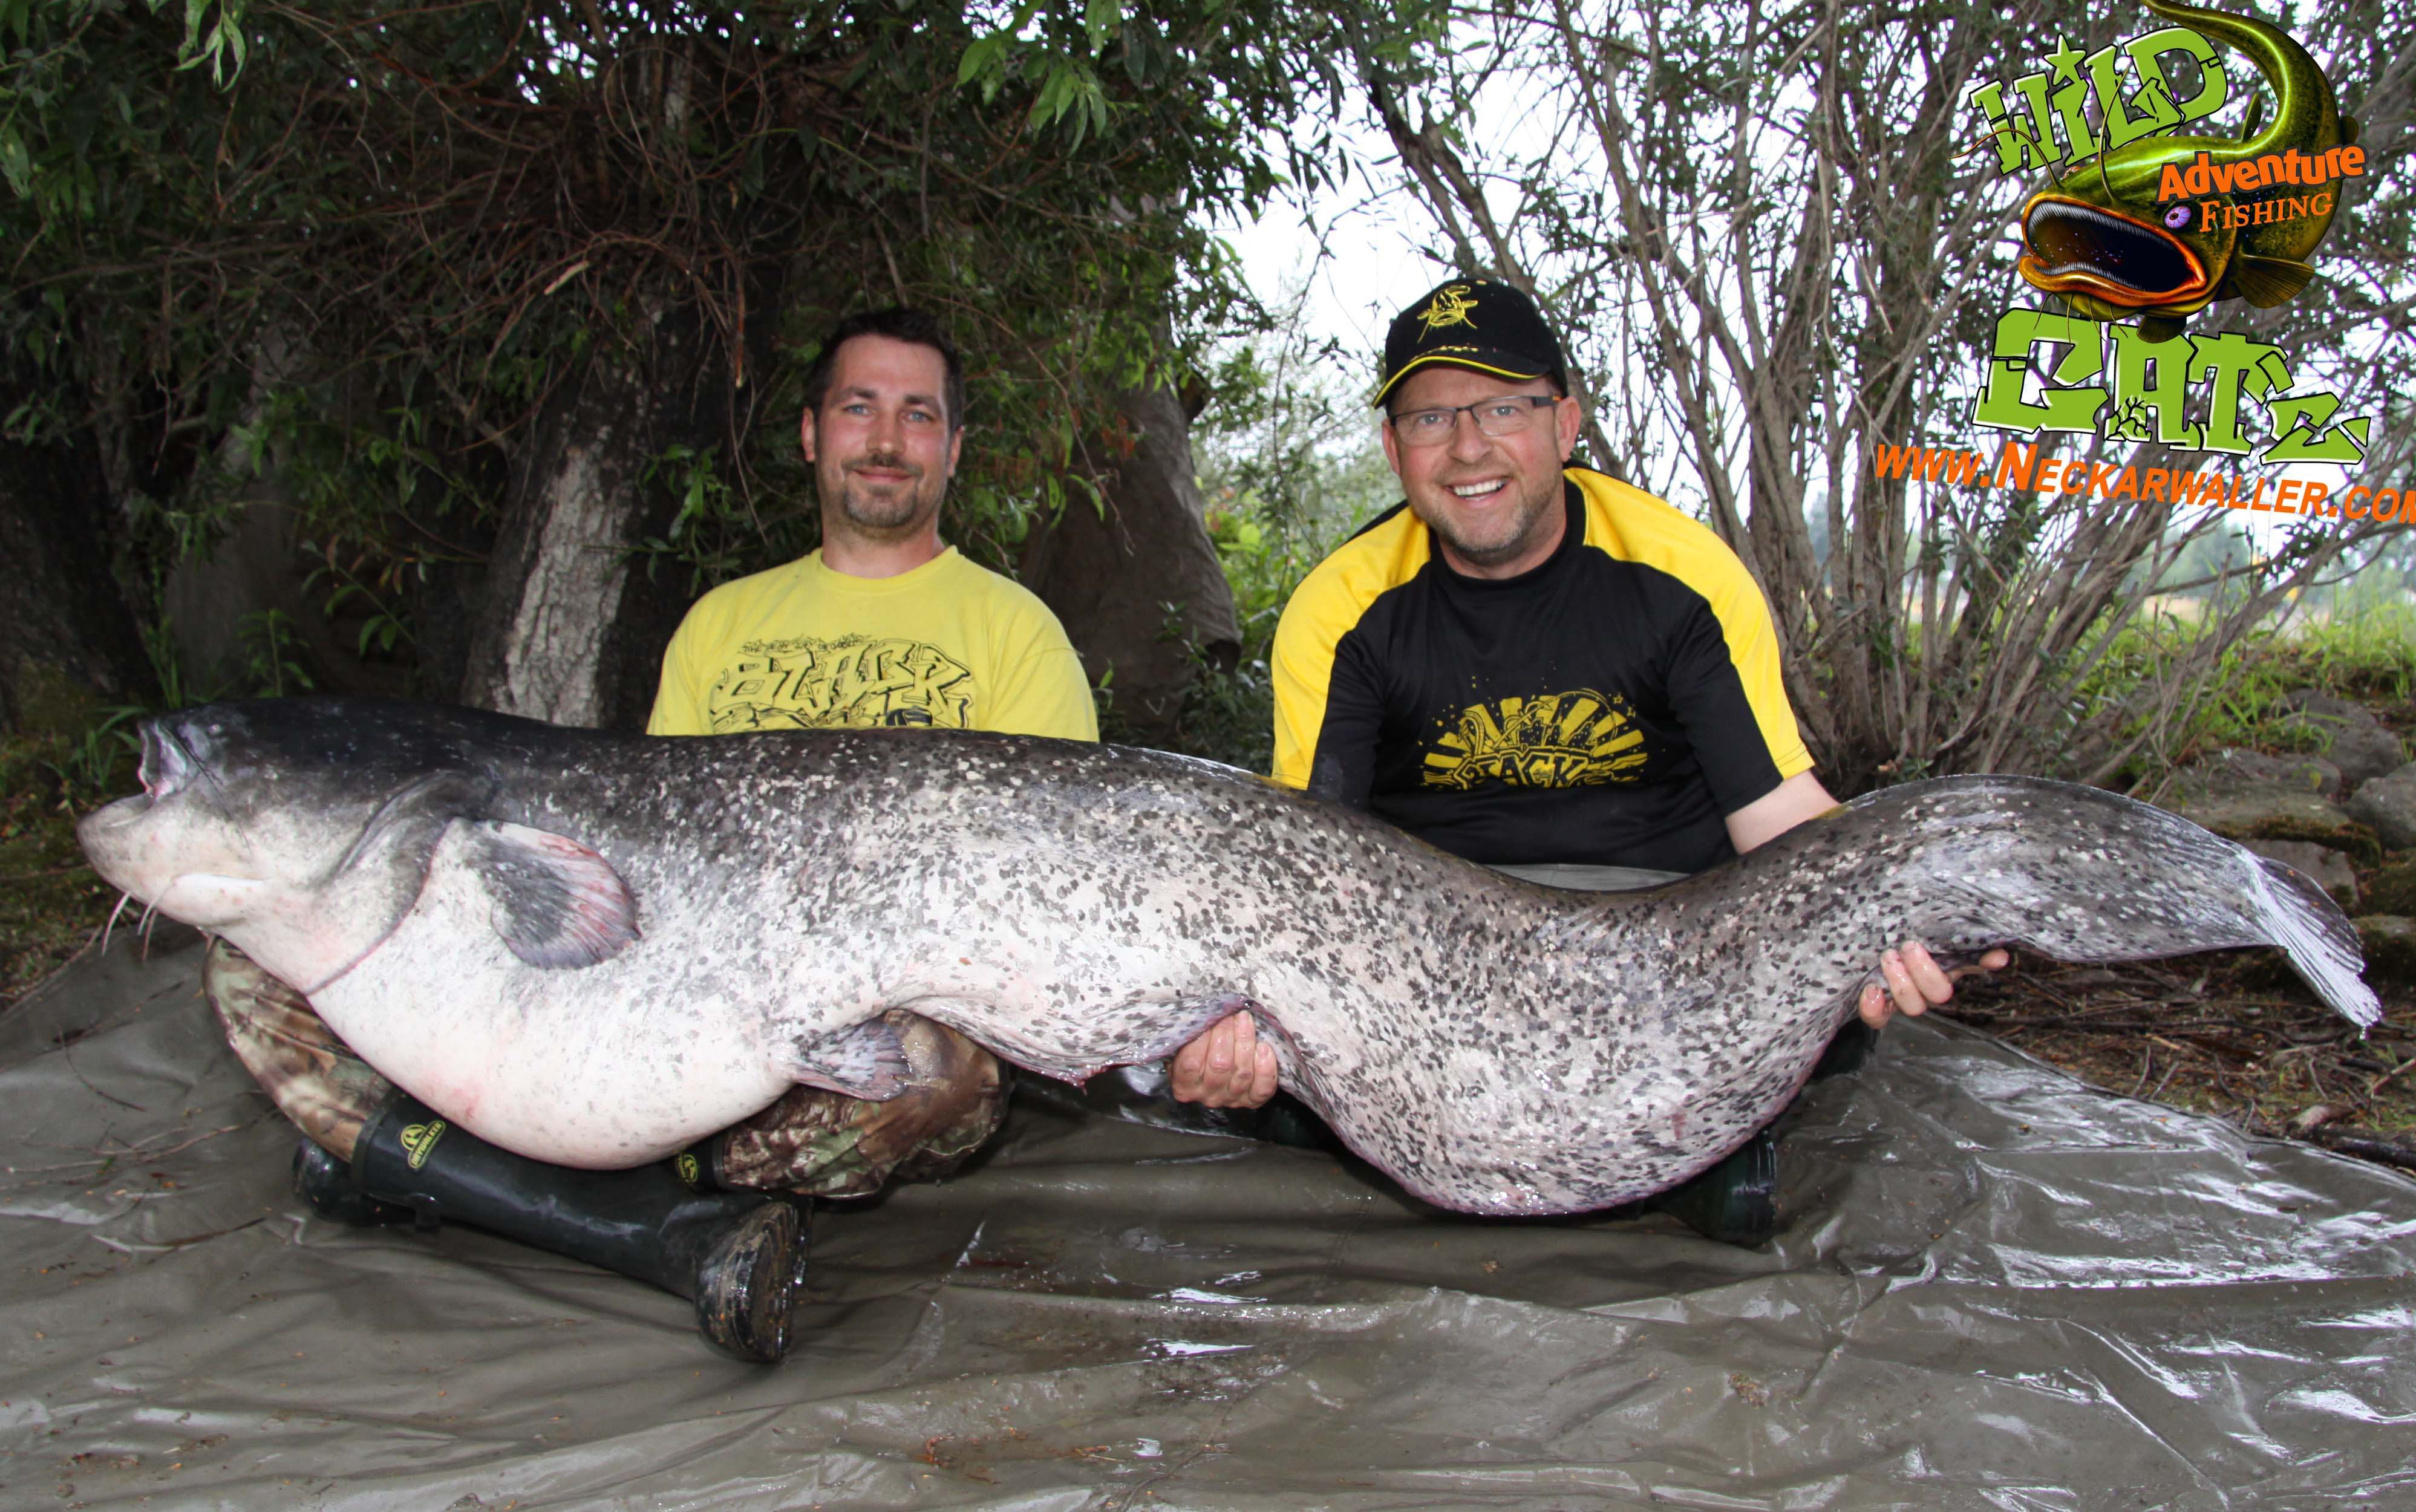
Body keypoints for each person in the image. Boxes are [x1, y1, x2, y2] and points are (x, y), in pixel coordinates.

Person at [206, 306, 1100, 1363]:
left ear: (953, 448)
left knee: (946, 1075)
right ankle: (631, 1200)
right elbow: (647, 863)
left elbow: (1054, 886)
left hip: (843, 1025)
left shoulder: (1016, 634)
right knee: (252, 965)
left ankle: (470, 1173)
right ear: (813, 434)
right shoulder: (722, 624)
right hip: (668, 1001)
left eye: (918, 415)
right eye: (860, 407)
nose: (887, 439)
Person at [1167, 276, 2005, 1242]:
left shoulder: (1682, 577)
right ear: (1396, 451)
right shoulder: (1341, 610)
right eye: (1431, 417)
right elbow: (1306, 877)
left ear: (1565, 424)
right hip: (1438, 961)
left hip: (1664, 945)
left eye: (1503, 408)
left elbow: (1782, 821)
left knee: (1832, 1016)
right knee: (1265, 1085)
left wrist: (1912, 917)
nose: (1468, 446)